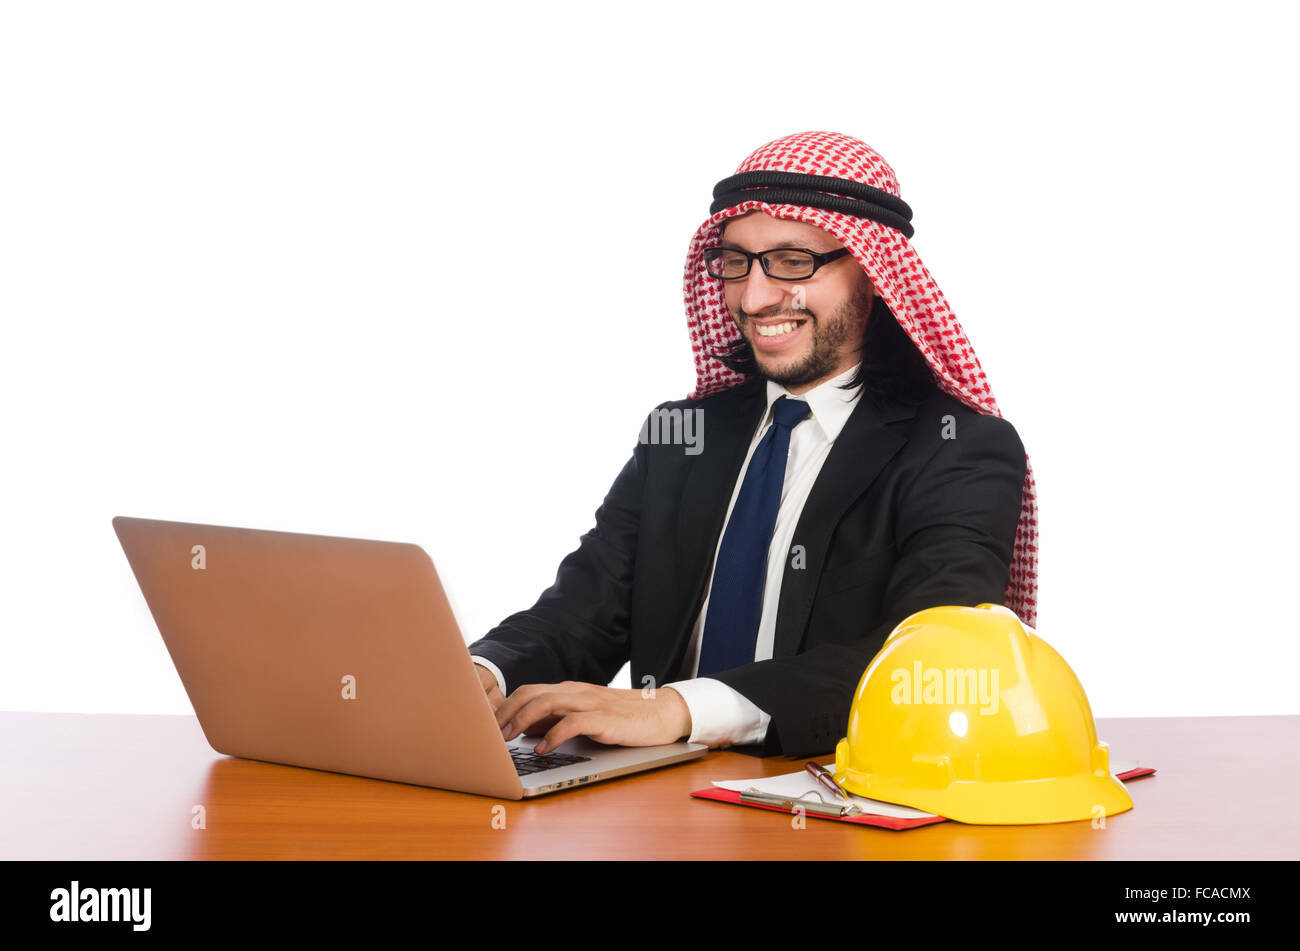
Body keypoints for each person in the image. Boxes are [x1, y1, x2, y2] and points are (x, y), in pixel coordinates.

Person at [467, 131, 1038, 759]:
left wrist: (681, 708)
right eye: (737, 262)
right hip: (660, 800)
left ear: (874, 276)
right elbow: (583, 611)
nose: (755, 296)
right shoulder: (682, 435)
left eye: (794, 261)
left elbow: (928, 660)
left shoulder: (959, 449)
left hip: (831, 798)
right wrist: (482, 674)